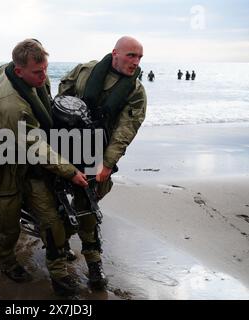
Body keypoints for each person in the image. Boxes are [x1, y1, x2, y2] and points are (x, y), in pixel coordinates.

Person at [0, 39, 88, 296]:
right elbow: (35, 146)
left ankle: (59, 274)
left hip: (32, 163)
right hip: (6, 163)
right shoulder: (10, 102)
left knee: (52, 219)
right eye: (37, 72)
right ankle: (7, 261)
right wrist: (70, 171)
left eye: (45, 70)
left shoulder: (37, 82)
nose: (44, 77)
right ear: (18, 70)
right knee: (9, 223)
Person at [58, 35, 147, 290]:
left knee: (88, 207)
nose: (136, 61)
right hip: (65, 143)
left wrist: (107, 165)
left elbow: (126, 130)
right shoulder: (85, 71)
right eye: (131, 55)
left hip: (97, 154)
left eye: (140, 57)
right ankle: (60, 246)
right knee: (55, 200)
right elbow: (61, 97)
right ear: (115, 53)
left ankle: (94, 265)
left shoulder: (136, 91)